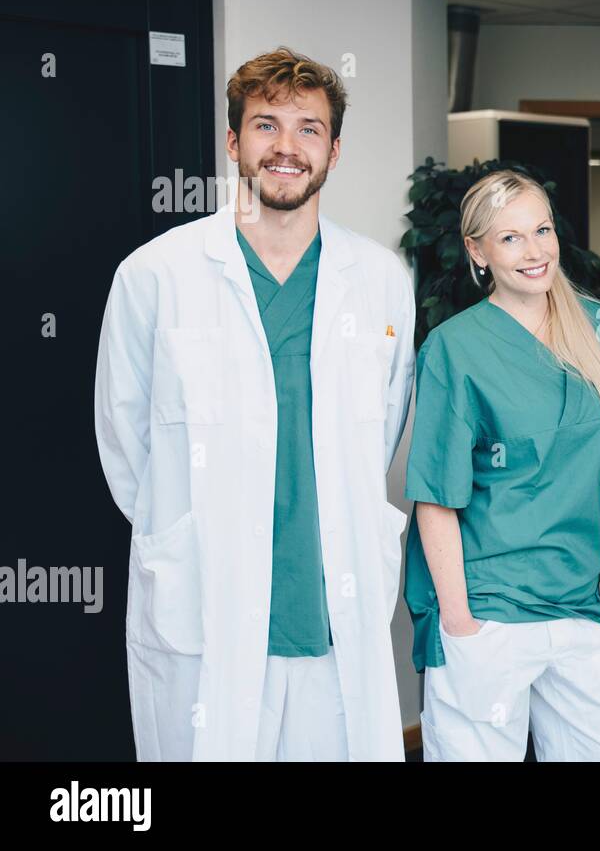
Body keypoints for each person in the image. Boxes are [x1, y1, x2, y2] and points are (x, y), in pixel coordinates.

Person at [94, 47, 415, 761]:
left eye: (308, 128)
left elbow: (383, 425)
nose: (287, 147)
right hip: (203, 605)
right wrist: (182, 529)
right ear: (234, 141)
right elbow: (124, 444)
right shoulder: (156, 275)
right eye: (266, 125)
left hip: (332, 613)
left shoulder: (381, 279)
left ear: (334, 150)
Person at [405, 170, 600, 762]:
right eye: (510, 237)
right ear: (477, 251)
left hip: (586, 601)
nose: (534, 251)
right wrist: (459, 619)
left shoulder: (599, 328)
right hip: (490, 607)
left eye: (541, 230)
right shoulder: (454, 350)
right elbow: (436, 497)